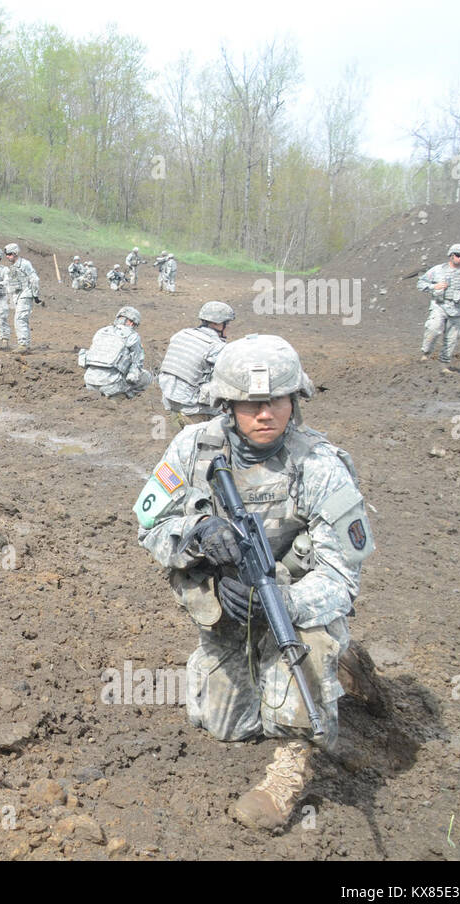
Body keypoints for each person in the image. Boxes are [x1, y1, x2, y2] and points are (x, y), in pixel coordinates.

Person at [136, 334, 373, 832]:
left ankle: (291, 764)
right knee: (227, 727)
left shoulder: (320, 465)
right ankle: (302, 672)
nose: (265, 414)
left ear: (295, 401)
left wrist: (281, 602)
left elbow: (340, 577)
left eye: (277, 401)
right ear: (228, 405)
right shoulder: (194, 447)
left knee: (301, 678)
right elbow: (149, 524)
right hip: (228, 608)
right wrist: (197, 534)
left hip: (293, 606)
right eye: (251, 404)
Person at [159, 301, 234, 429]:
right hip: (192, 408)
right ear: (217, 323)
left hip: (170, 403)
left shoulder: (181, 334)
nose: (229, 328)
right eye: (227, 323)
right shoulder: (216, 346)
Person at [418, 243, 460, 372]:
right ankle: (426, 354)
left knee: (452, 338)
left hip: (458, 310)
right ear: (451, 255)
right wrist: (435, 286)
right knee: (433, 329)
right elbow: (421, 283)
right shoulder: (437, 270)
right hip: (439, 306)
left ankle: (444, 365)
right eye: (457, 255)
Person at [78, 305, 150, 398]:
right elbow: (137, 365)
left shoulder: (101, 331)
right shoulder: (132, 336)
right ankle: (124, 396)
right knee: (146, 377)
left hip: (89, 382)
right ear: (131, 323)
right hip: (112, 384)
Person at [3, 243, 41, 351]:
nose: (7, 256)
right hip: (18, 296)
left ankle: (23, 345)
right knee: (20, 319)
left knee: (20, 319)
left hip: (26, 295)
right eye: (7, 254)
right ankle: (24, 343)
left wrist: (36, 295)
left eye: (10, 254)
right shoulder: (13, 268)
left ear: (15, 253)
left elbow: (34, 279)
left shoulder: (24, 264)